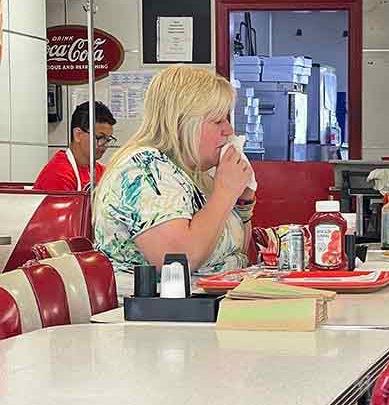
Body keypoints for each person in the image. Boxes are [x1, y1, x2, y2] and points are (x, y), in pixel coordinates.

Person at [94, 65, 254, 288]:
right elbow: (179, 259)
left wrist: (242, 202)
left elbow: (237, 251)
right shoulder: (144, 168)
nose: (229, 130)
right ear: (182, 123)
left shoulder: (196, 174)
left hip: (211, 307)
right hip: (156, 316)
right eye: (218, 121)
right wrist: (225, 192)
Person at [34, 101, 116, 192]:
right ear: (78, 134)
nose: (104, 145)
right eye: (100, 137)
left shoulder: (98, 171)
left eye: (108, 139)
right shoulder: (58, 174)